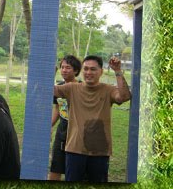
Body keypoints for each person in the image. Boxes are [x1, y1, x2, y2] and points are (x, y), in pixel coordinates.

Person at [55, 55, 131, 183]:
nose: (88, 72)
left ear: (101, 71)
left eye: (93, 69)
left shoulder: (108, 90)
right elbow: (47, 90)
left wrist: (118, 71)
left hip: (100, 152)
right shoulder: (72, 88)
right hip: (75, 150)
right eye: (86, 69)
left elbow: (124, 96)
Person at [49, 55, 82, 181]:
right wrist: (50, 126)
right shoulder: (59, 88)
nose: (64, 70)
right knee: (56, 166)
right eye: (62, 67)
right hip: (62, 132)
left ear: (76, 71)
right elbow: (58, 109)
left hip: (77, 132)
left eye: (68, 67)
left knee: (74, 168)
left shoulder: (82, 87)